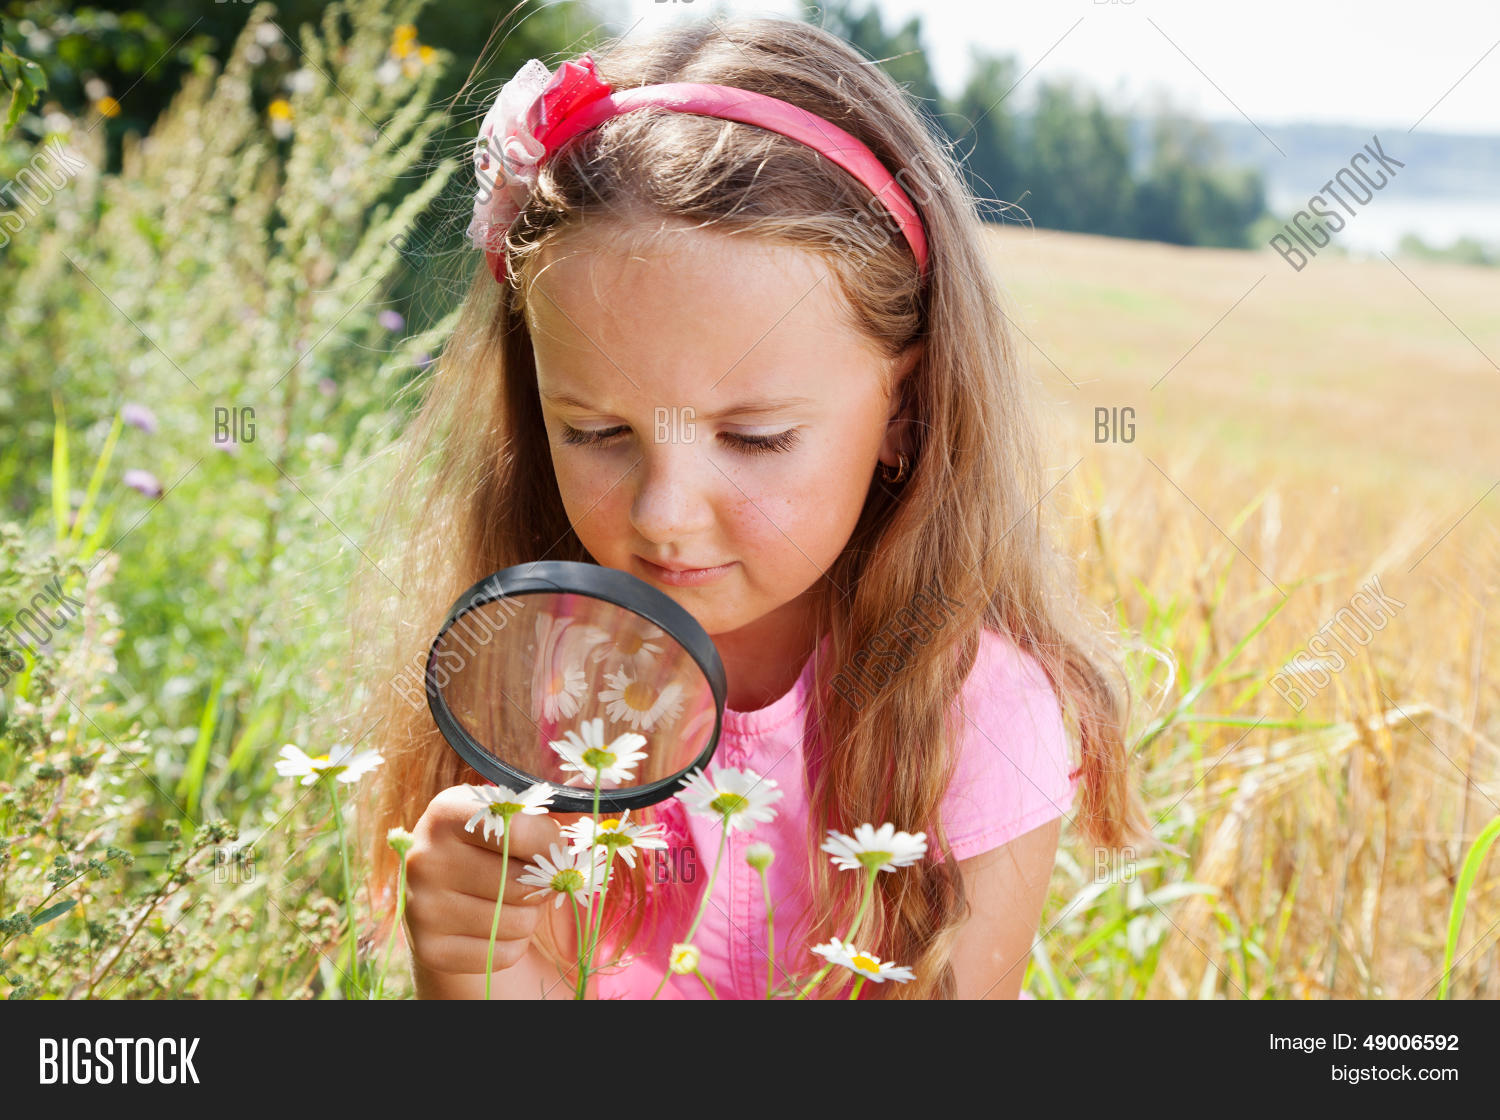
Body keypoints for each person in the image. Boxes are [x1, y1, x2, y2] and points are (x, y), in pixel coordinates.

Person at [352, 15, 1151, 999]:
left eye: (755, 438)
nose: (665, 513)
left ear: (904, 409)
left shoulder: (976, 722)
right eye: (599, 433)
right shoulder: (528, 675)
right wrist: (475, 976)